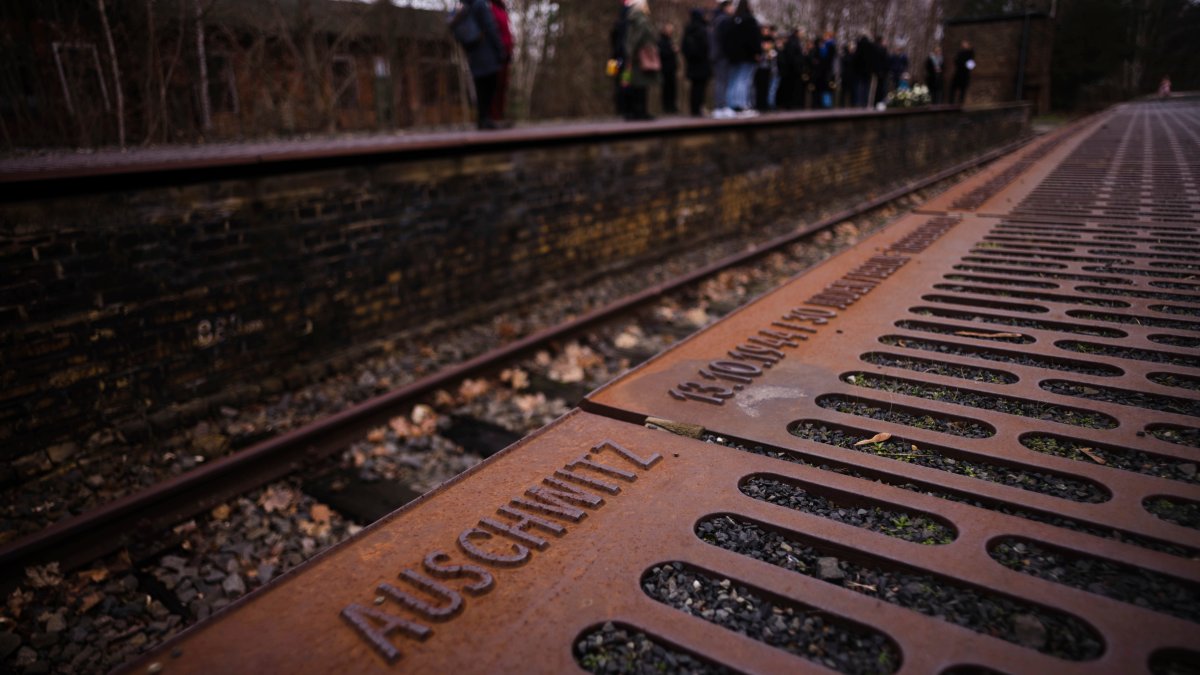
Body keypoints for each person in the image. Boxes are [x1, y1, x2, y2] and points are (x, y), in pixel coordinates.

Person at [450, 0, 506, 129]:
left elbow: (453, 24)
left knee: (480, 86)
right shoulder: (480, 4)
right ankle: (485, 118)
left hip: (472, 51)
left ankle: (482, 118)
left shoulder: (462, 5)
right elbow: (490, 26)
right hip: (486, 50)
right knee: (490, 85)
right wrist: (499, 49)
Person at [721, 0, 762, 117]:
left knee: (733, 80)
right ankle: (741, 105)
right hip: (747, 57)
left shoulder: (732, 21)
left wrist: (729, 54)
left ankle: (731, 105)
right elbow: (754, 39)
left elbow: (726, 40)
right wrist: (757, 52)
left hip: (734, 57)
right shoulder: (749, 20)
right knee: (744, 80)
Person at [623, 0, 660, 120]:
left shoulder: (632, 19)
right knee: (641, 86)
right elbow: (639, 37)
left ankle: (635, 111)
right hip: (640, 57)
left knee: (634, 84)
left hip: (635, 57)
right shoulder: (642, 20)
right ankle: (640, 112)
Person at [681, 9, 712, 117]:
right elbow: (706, 46)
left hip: (692, 64)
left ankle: (694, 109)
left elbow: (683, 47)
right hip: (702, 63)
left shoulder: (688, 29)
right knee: (701, 87)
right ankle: (699, 108)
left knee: (694, 87)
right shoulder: (702, 29)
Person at [489, 0, 514, 123]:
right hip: (496, 54)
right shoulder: (490, 9)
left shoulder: (502, 10)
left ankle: (499, 116)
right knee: (495, 87)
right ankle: (493, 117)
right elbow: (493, 32)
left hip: (506, 53)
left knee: (503, 86)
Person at [709, 0, 734, 115]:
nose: (732, 9)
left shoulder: (715, 19)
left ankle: (721, 106)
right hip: (722, 55)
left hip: (717, 55)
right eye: (731, 7)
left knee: (721, 81)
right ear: (726, 7)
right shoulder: (724, 20)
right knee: (722, 81)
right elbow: (726, 40)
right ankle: (721, 107)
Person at [610, 4, 630, 117]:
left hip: (614, 59)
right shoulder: (627, 27)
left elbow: (612, 41)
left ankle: (620, 108)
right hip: (623, 59)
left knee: (618, 82)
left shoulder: (617, 25)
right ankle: (624, 108)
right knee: (625, 82)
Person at [658, 22, 679, 114]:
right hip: (665, 67)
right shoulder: (661, 41)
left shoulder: (670, 40)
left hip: (671, 67)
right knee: (666, 87)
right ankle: (667, 106)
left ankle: (672, 106)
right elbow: (662, 53)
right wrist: (672, 51)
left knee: (672, 87)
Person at [950, 39, 975, 105]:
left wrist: (963, 63)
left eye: (965, 44)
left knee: (962, 91)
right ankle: (951, 104)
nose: (964, 45)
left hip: (965, 75)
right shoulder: (960, 53)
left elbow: (970, 65)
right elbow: (956, 62)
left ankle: (960, 105)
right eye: (963, 44)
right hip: (958, 73)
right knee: (953, 88)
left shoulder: (970, 53)